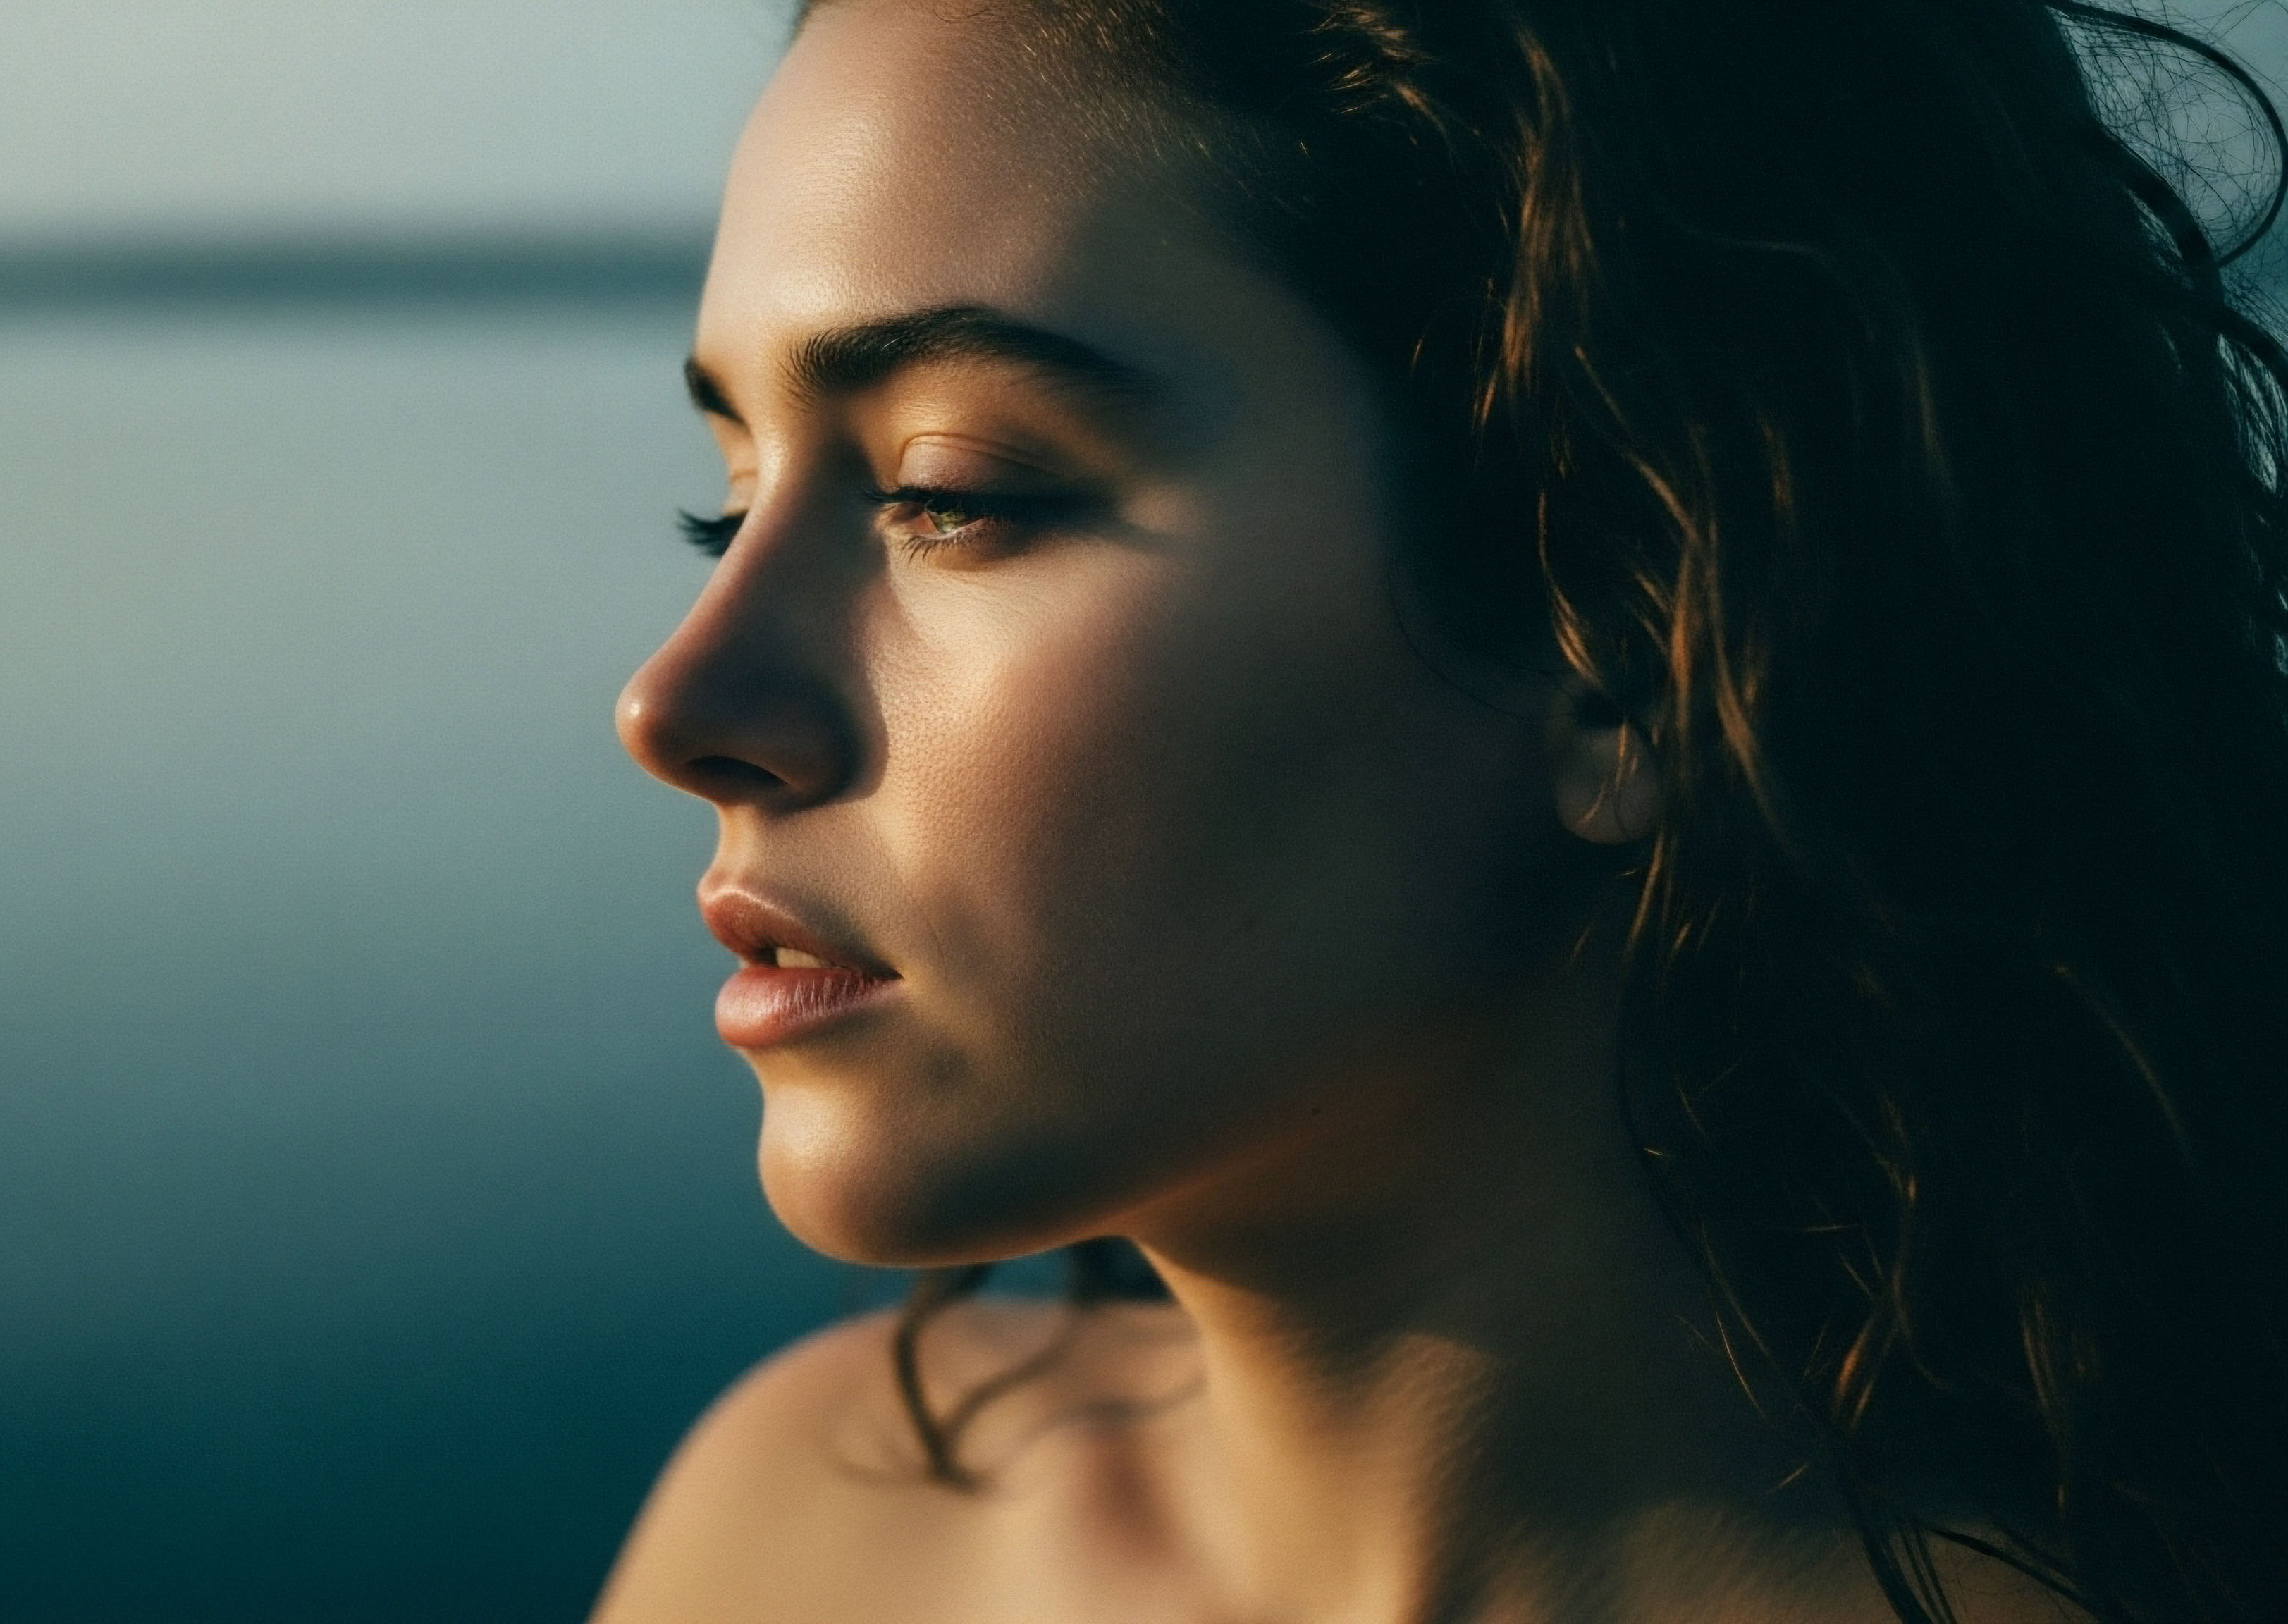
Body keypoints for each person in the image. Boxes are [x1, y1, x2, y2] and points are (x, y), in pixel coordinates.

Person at [597, 0, 2288, 1618]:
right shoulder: (810, 1521)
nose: (676, 706)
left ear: (1627, 636)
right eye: (727, 503)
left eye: (950, 492)